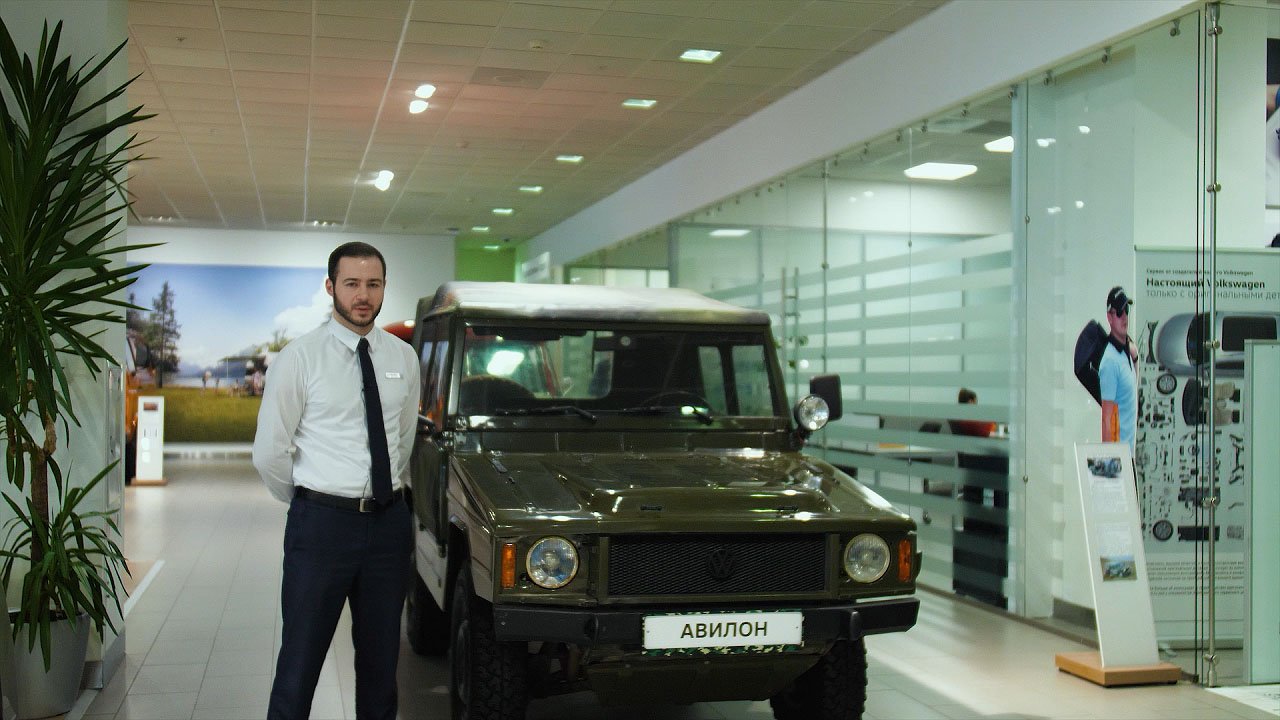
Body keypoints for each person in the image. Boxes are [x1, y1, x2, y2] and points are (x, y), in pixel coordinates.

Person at [252, 241, 419, 720]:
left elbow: (402, 439)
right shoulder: (299, 358)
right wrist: (309, 500)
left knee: (381, 668)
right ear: (331, 287)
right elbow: (270, 452)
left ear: (384, 287)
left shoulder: (403, 357)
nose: (363, 295)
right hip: (321, 527)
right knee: (299, 665)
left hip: (388, 527)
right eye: (352, 284)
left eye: (373, 284)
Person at [1099, 286, 1137, 452]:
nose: (1124, 317)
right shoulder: (1110, 362)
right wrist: (1111, 461)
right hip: (1120, 458)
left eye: (1126, 310)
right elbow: (1106, 420)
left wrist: (1135, 358)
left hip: (1129, 455)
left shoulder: (1126, 352)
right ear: (1109, 317)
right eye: (1119, 312)